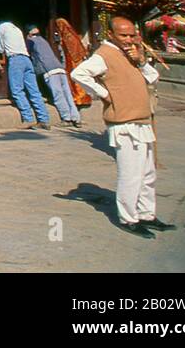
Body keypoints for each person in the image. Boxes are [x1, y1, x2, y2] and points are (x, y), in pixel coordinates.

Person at [71, 15, 175, 238]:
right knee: (132, 173)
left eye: (132, 35)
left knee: (148, 173)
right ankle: (128, 218)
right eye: (124, 35)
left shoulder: (132, 53)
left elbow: (153, 78)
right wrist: (105, 94)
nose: (129, 39)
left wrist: (140, 60)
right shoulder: (104, 55)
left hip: (142, 120)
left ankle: (147, 214)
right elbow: (78, 73)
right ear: (111, 34)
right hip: (124, 123)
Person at [0, 19, 50, 130]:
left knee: (17, 90)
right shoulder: (17, 29)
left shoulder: (1, 28)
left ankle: (28, 119)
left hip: (15, 60)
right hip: (26, 59)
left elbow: (1, 49)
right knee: (34, 91)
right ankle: (44, 120)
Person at [27, 24, 80, 128]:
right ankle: (76, 118)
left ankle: (66, 118)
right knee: (67, 94)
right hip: (60, 68)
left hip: (50, 70)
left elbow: (30, 54)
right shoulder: (43, 40)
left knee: (58, 94)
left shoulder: (31, 41)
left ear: (29, 33)